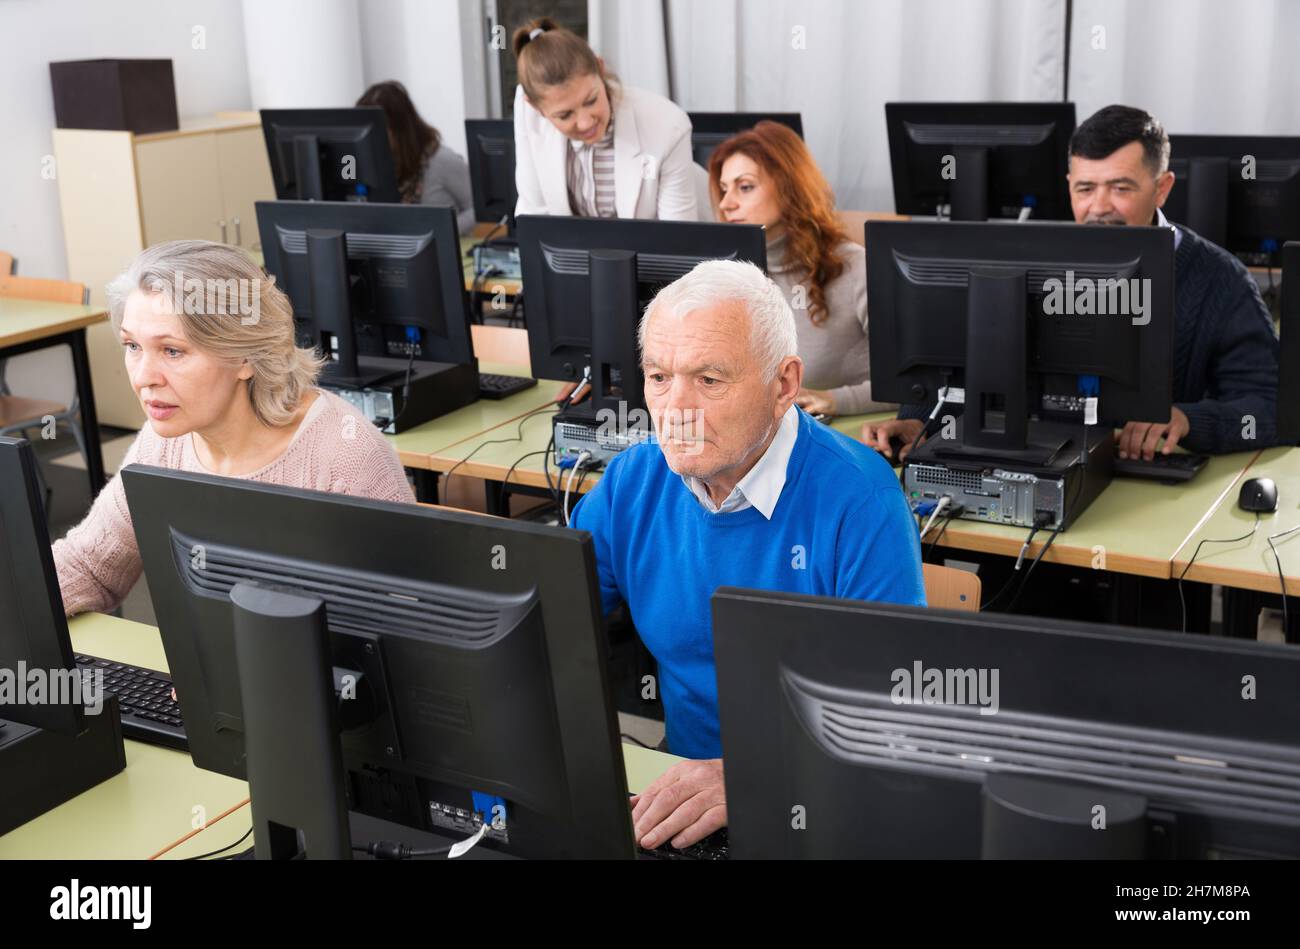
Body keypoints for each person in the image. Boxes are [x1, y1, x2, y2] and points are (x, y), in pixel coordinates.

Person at [571, 259, 925, 850]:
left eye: (709, 380)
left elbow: (896, 719)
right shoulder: (632, 482)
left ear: (783, 384)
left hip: (819, 802)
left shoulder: (861, 500)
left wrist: (757, 775)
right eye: (659, 377)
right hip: (683, 799)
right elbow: (550, 619)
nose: (676, 409)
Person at [863, 104, 1280, 462]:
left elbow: (1272, 406)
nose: (1099, 207)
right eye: (1085, 188)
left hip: (1145, 484)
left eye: (1120, 188)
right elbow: (954, 364)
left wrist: (1189, 419)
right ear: (1069, 188)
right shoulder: (1022, 262)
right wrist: (919, 417)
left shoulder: (1220, 278)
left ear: (1162, 188)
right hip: (1033, 466)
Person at [53, 240, 416, 616]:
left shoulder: (344, 457)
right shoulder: (163, 445)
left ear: (244, 356)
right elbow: (89, 567)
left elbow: (411, 619)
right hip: (208, 673)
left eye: (172, 351)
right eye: (132, 345)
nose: (144, 377)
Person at [710, 120, 895, 417]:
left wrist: (835, 400)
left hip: (851, 426)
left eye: (745, 187)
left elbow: (915, 389)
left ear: (788, 187)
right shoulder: (728, 273)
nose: (727, 203)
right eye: (723, 189)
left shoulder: (855, 267)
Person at [511, 17, 702, 221]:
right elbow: (535, 215)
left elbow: (677, 237)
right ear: (535, 107)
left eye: (591, 100)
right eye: (565, 115)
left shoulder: (668, 123)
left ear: (600, 70)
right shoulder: (528, 112)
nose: (585, 122)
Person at [357, 80, 476, 235]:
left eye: (380, 128)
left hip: (443, 251)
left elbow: (476, 210)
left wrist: (442, 231)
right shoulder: (373, 166)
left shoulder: (442, 160)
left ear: (401, 128)